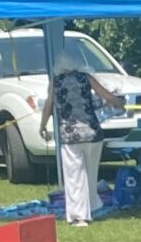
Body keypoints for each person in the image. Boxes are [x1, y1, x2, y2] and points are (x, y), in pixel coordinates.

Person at [39, 57, 112, 225]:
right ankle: (93, 206)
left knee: (74, 177)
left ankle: (79, 216)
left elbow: (48, 106)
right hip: (93, 133)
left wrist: (42, 126)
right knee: (91, 175)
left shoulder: (55, 82)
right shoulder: (86, 77)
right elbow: (106, 95)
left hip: (70, 135)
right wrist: (119, 103)